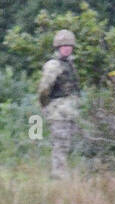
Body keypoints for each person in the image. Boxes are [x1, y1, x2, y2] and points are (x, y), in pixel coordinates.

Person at [37, 29, 81, 179]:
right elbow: (44, 89)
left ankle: (61, 175)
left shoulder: (70, 64)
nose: (67, 48)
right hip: (58, 112)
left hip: (69, 112)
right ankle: (58, 176)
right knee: (60, 146)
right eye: (64, 46)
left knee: (66, 145)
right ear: (57, 47)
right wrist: (46, 106)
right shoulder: (53, 65)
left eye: (69, 45)